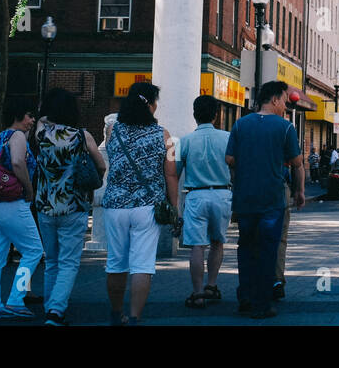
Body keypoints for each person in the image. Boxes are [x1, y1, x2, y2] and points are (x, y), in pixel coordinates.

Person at [226, 80, 305, 320]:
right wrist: (299, 190)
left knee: (246, 247)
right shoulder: (285, 128)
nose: (284, 106)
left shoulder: (240, 125)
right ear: (274, 100)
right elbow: (297, 162)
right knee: (268, 250)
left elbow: (229, 159)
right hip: (272, 199)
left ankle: (246, 297)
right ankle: (262, 302)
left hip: (245, 197)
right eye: (283, 100)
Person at [102, 80, 177, 325]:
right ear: (150, 105)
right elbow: (170, 173)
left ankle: (115, 313)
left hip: (115, 205)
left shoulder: (113, 131)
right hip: (147, 207)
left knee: (116, 262)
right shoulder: (164, 136)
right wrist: (174, 206)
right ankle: (134, 317)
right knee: (142, 264)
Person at [34, 87, 106, 326]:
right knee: (68, 262)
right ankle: (56, 309)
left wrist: (45, 115)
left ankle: (50, 306)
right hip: (74, 205)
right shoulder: (82, 136)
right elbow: (101, 166)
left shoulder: (40, 135)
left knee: (51, 260)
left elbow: (40, 119)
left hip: (45, 205)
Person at [0, 95, 44, 321]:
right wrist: (28, 189)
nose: (32, 120)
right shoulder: (17, 136)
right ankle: (16, 298)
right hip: (13, 204)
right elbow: (17, 162)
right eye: (29, 116)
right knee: (34, 250)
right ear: (19, 115)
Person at [178, 94, 232, 310]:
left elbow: (175, 172)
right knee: (218, 242)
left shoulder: (185, 140)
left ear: (194, 115)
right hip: (221, 193)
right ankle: (212, 284)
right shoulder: (228, 137)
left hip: (196, 194)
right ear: (216, 115)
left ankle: (198, 292)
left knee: (197, 246)